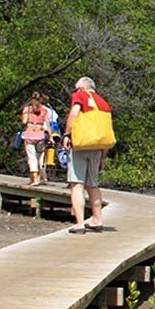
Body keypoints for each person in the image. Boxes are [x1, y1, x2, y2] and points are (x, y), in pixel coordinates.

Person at [62, 76, 111, 233]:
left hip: (81, 144)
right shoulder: (103, 103)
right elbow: (106, 131)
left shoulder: (80, 96)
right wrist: (103, 156)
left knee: (77, 184)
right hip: (97, 147)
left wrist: (67, 135)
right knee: (93, 185)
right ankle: (97, 220)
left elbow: (74, 113)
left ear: (82, 88)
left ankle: (80, 224)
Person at [20, 92, 51, 186]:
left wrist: (24, 115)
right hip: (40, 135)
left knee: (32, 158)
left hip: (29, 135)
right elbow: (48, 125)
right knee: (40, 157)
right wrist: (51, 136)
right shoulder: (45, 111)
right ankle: (40, 178)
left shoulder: (27, 109)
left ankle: (35, 179)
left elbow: (24, 121)